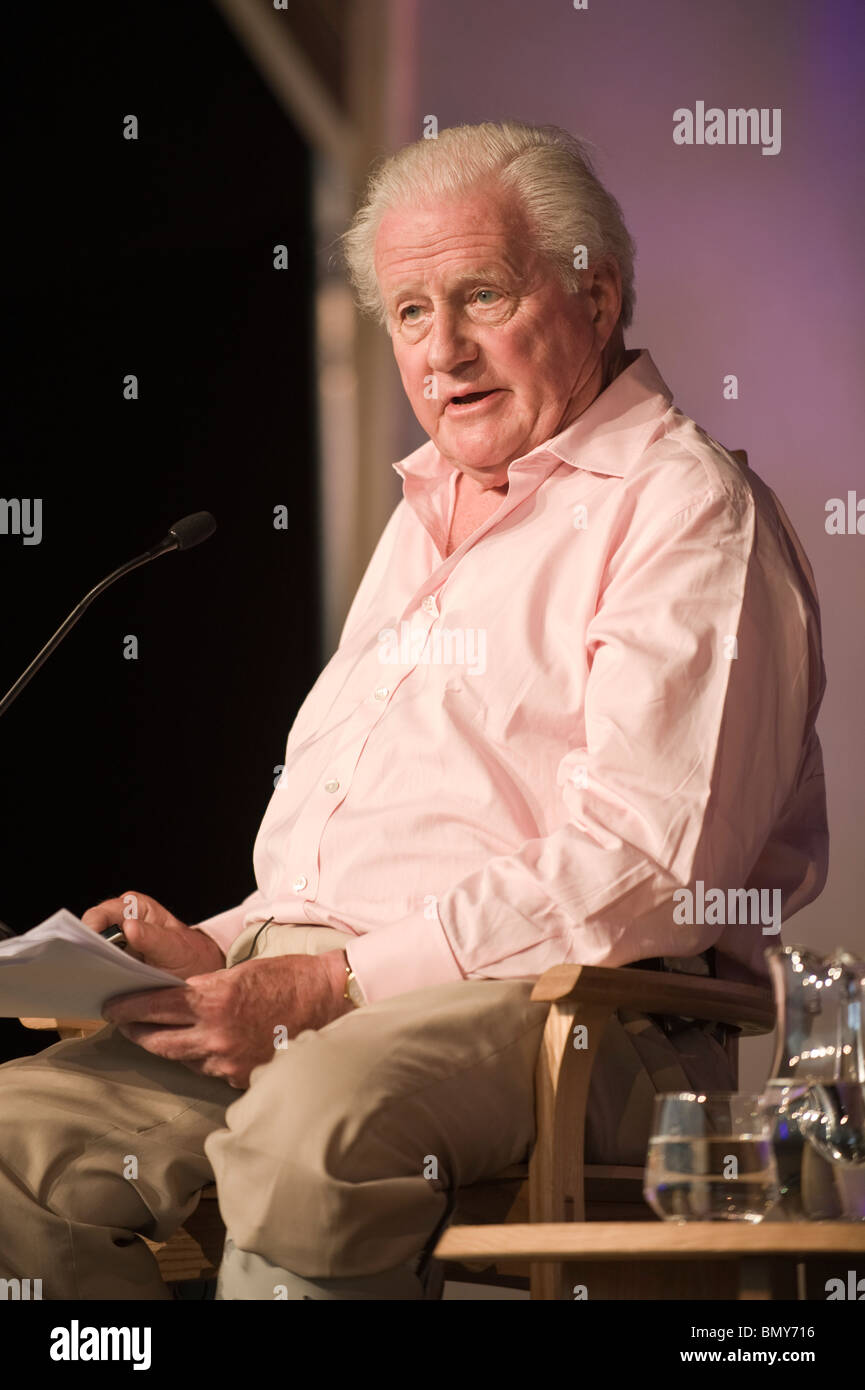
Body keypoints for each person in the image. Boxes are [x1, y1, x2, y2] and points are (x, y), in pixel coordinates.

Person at [0, 122, 827, 1300]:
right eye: (408, 313)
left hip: (563, 1016)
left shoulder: (683, 509)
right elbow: (377, 855)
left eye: (480, 295)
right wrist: (228, 954)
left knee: (309, 1128)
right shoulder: (423, 517)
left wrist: (326, 987)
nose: (442, 350)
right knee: (13, 1144)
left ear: (595, 296)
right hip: (326, 996)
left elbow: (649, 867)